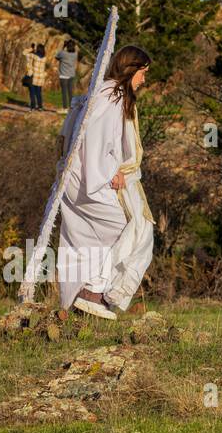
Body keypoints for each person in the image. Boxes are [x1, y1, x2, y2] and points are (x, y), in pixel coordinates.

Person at [56, 45, 155, 320]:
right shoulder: (111, 96)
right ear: (131, 70)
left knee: (90, 241)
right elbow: (95, 140)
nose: (144, 80)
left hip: (84, 177)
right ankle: (95, 291)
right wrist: (110, 171)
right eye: (143, 73)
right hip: (90, 178)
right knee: (129, 227)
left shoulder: (110, 94)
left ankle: (85, 299)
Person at [56, 41, 78, 112]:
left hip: (63, 76)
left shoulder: (63, 53)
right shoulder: (75, 54)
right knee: (70, 92)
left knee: (64, 92)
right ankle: (71, 108)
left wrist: (63, 47)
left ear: (66, 46)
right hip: (71, 75)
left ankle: (65, 108)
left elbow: (57, 56)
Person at [25, 44, 47, 111]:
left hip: (33, 77)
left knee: (32, 92)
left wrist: (31, 48)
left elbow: (24, 53)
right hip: (40, 78)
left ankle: (33, 107)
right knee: (38, 93)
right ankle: (40, 107)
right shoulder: (45, 58)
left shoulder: (33, 56)